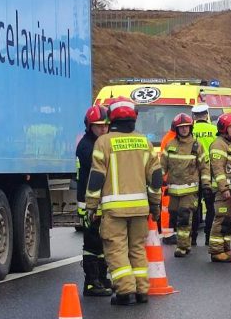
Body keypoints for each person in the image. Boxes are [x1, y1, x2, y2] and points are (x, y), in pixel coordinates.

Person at [84, 98, 163, 306]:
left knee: (116, 249)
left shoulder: (104, 142)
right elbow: (155, 177)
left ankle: (125, 291)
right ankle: (142, 290)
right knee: (137, 249)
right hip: (140, 208)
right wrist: (155, 206)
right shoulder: (144, 142)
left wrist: (91, 206)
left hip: (114, 210)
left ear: (112, 119)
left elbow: (96, 178)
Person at [158, 112, 210, 258]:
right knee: (175, 216)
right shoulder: (170, 145)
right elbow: (162, 166)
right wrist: (157, 179)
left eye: (186, 127)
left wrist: (206, 185)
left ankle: (182, 246)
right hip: (174, 190)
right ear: (177, 129)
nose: (184, 130)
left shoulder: (196, 146)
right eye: (181, 127)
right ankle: (185, 243)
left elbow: (204, 167)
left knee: (184, 216)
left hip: (190, 190)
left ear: (190, 127)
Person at [75, 103, 113, 297]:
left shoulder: (98, 143)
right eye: (98, 126)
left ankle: (102, 278)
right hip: (89, 203)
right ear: (90, 126)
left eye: (105, 125)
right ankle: (91, 282)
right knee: (92, 243)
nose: (103, 129)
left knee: (102, 242)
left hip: (99, 201)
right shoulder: (88, 147)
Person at [207, 112, 231, 262]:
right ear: (224, 128)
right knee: (221, 219)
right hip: (224, 191)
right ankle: (216, 251)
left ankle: (226, 248)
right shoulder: (218, 144)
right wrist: (224, 189)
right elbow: (218, 168)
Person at [190, 100, 218, 247]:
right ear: (206, 115)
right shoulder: (214, 130)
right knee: (211, 207)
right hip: (211, 173)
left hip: (194, 172)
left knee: (194, 207)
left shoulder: (190, 131)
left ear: (194, 116)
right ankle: (208, 237)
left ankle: (193, 238)